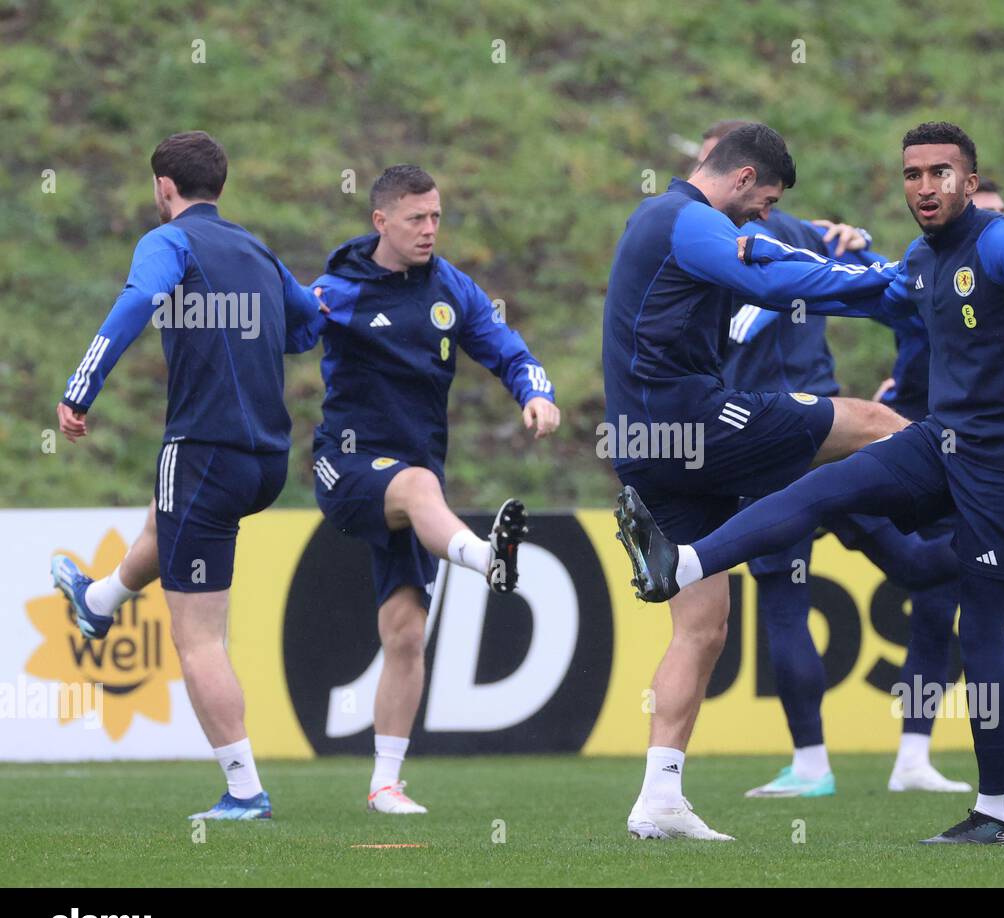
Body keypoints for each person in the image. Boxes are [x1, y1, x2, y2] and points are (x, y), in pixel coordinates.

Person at [616, 121, 1004, 844]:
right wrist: (877, 283)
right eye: (914, 175)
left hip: (1003, 461)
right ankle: (684, 567)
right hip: (911, 441)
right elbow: (816, 282)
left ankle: (994, 812)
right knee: (836, 479)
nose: (926, 187)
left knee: (967, 622)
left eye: (941, 173)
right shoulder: (907, 257)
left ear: (970, 179)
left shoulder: (998, 238)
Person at [603, 122, 919, 841]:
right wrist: (895, 289)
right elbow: (767, 275)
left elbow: (774, 267)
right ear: (742, 180)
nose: (765, 213)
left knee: (703, 626)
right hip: (691, 421)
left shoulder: (663, 220)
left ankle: (658, 799)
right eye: (766, 199)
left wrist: (863, 271)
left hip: (647, 443)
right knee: (870, 420)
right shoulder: (686, 218)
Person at [52, 131, 326, 820]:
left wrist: (80, 389)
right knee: (163, 519)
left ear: (164, 188)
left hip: (205, 448)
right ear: (220, 186)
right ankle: (100, 601)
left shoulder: (167, 243)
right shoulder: (256, 248)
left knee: (198, 637)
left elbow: (137, 303)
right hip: (266, 458)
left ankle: (244, 791)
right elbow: (305, 326)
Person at [305, 165, 560, 813]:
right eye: (416, 219)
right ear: (380, 222)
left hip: (417, 484)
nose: (429, 229)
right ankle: (484, 558)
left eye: (437, 216)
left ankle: (385, 783)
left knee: (407, 634)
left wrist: (536, 393)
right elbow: (284, 333)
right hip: (350, 467)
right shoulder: (340, 290)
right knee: (420, 487)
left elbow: (507, 349)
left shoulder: (452, 289)